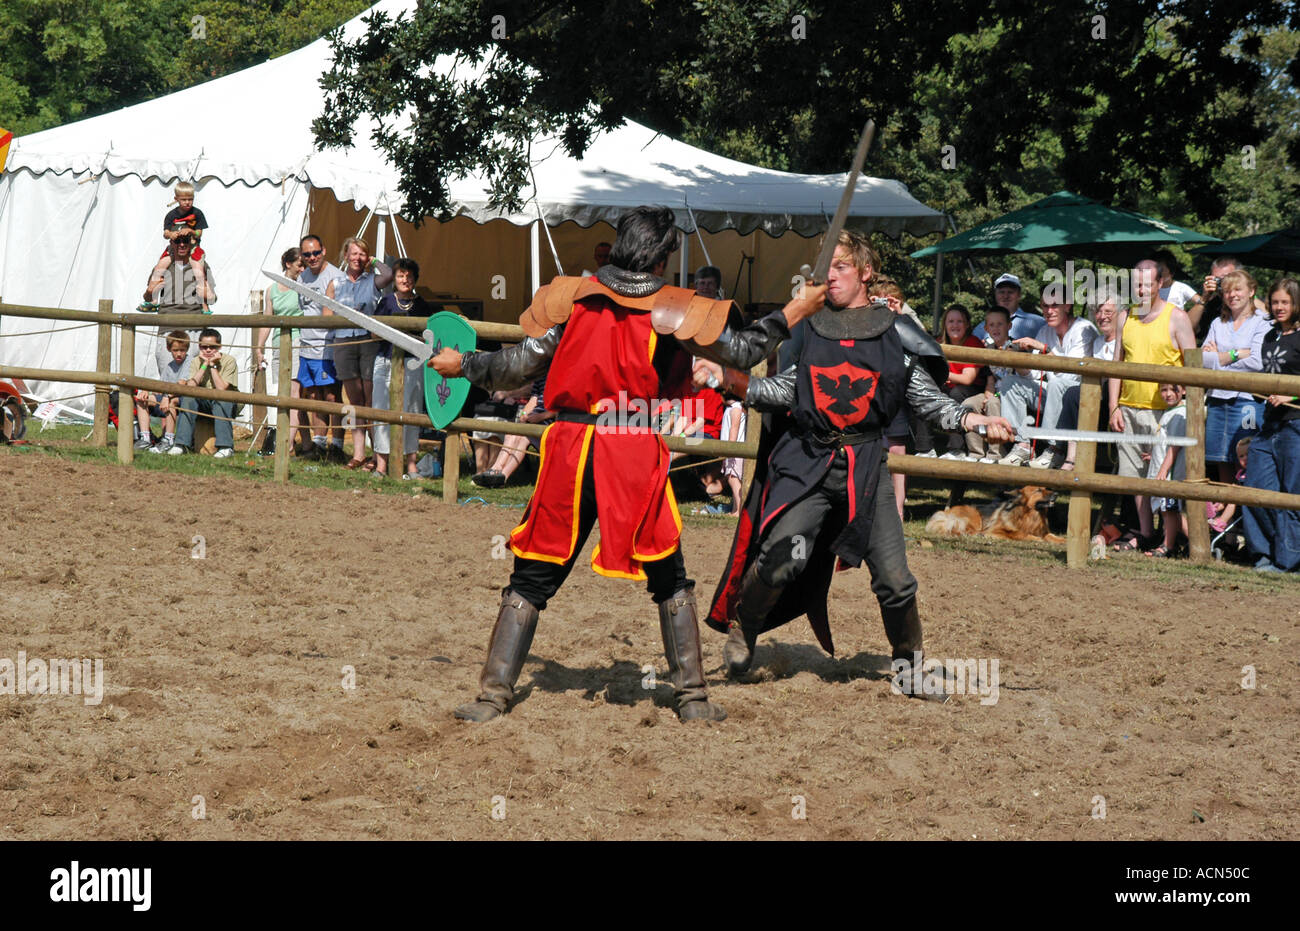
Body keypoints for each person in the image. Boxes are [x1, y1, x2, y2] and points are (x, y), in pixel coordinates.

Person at [429, 205, 821, 723]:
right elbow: (745, 349)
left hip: (569, 450)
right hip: (629, 449)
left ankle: (492, 695)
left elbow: (510, 368)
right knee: (666, 570)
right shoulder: (672, 308)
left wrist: (465, 364)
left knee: (534, 571)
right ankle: (692, 698)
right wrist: (797, 309)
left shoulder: (571, 298)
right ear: (661, 259)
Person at [708, 229, 1013, 698]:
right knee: (780, 561)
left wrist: (969, 415)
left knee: (895, 580)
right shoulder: (807, 329)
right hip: (809, 462)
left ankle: (909, 673)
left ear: (866, 273)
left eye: (841, 267)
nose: (829, 277)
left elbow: (927, 400)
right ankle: (744, 627)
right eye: (825, 268)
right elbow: (782, 392)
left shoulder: (892, 331)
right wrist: (730, 380)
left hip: (866, 468)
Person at [1108, 259, 1197, 550]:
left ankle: (1173, 539)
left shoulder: (1177, 317)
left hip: (1166, 412)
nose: (1141, 289)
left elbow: (1193, 365)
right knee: (1133, 476)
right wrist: (1113, 406)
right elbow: (1116, 364)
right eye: (1137, 283)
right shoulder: (1125, 317)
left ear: (1160, 284)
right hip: (1129, 406)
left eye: (1147, 283)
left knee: (1163, 476)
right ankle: (1145, 533)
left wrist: (1183, 405)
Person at [1244, 277, 1300, 573]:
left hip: (1296, 424)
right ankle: (1263, 552)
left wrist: (1290, 393)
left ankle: (1289, 561)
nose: (1279, 307)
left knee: (1292, 493)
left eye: (1285, 302)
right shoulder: (1269, 336)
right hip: (1269, 423)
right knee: (1254, 486)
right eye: (1275, 302)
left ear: (1296, 304)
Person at [1202, 268, 1268, 498]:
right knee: (1221, 458)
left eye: (1238, 289)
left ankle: (1244, 514)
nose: (1232, 295)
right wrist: (1236, 354)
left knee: (1246, 457)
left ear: (1251, 291)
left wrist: (1219, 357)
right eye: (1227, 291)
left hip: (1248, 399)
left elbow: (1257, 361)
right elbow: (1202, 359)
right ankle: (1225, 517)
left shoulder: (1263, 322)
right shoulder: (1217, 324)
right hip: (1218, 398)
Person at [1012, 298, 1099, 470]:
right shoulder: (1045, 331)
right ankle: (1020, 445)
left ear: (1067, 306)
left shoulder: (1084, 329)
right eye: (1045, 306)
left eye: (1054, 305)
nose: (1049, 311)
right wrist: (1017, 359)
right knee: (1012, 382)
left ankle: (1055, 449)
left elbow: (1070, 373)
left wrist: (1044, 349)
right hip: (1051, 393)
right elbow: (1034, 374)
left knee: (1057, 383)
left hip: (1077, 397)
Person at [332, 236, 394, 469]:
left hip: (368, 342)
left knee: (371, 400)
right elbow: (327, 312)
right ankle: (358, 454)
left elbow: (389, 274)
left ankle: (377, 454)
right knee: (354, 400)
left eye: (362, 254)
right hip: (344, 342)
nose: (357, 258)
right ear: (345, 255)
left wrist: (374, 259)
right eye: (354, 253)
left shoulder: (373, 280)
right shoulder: (336, 283)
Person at [372, 257, 430, 479]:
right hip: (386, 360)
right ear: (394, 279)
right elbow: (374, 332)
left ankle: (411, 465)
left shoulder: (422, 305)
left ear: (415, 279)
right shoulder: (386, 302)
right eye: (400, 275)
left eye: (409, 275)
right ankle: (381, 465)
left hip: (412, 363)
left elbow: (429, 336)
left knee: (412, 409)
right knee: (382, 410)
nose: (405, 279)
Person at [295, 234, 346, 462]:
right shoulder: (301, 278)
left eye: (316, 252)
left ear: (324, 250)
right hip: (306, 345)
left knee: (332, 397)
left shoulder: (336, 277)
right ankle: (317, 444)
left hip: (328, 346)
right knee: (313, 396)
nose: (312, 257)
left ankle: (336, 445)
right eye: (307, 254)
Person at [254, 247, 309, 454]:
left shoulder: (303, 287)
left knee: (293, 393)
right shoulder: (272, 290)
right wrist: (260, 348)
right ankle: (303, 442)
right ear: (288, 264)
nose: (303, 268)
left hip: (297, 341)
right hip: (278, 344)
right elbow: (268, 320)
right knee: (282, 392)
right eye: (299, 264)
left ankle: (287, 444)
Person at [143, 233, 215, 380]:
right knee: (167, 375)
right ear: (171, 242)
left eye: (185, 241)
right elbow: (149, 298)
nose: (182, 244)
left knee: (192, 379)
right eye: (178, 241)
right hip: (167, 326)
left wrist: (207, 293)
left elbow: (213, 298)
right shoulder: (163, 266)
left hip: (194, 325)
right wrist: (150, 291)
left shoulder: (201, 265)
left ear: (191, 243)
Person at [168, 328, 239, 458]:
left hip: (227, 402)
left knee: (222, 400)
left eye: (212, 347)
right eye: (204, 347)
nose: (208, 350)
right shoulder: (196, 361)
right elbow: (190, 387)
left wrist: (212, 365)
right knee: (188, 398)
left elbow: (221, 389)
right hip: (205, 402)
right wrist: (204, 365)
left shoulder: (229, 361)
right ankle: (181, 444)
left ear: (219, 346)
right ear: (199, 346)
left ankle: (226, 447)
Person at [1144, 383, 1188, 558]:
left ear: (1183, 390)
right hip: (1163, 466)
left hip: (1169, 473)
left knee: (1168, 510)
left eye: (1174, 390)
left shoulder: (1180, 414)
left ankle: (1168, 546)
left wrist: (1163, 470)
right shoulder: (1169, 413)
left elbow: (1174, 447)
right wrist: (1154, 455)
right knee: (1170, 510)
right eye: (1164, 390)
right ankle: (1195, 542)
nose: (1168, 394)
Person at [149, 181, 210, 307]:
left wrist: (191, 231)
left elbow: (199, 233)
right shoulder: (171, 215)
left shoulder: (197, 214)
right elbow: (165, 233)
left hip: (193, 248)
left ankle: (204, 304)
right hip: (174, 247)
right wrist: (171, 235)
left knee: (198, 272)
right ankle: (152, 300)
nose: (187, 202)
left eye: (190, 199)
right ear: (176, 199)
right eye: (184, 200)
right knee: (159, 268)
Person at [936, 304, 985, 459]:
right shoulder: (939, 343)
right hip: (948, 386)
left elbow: (967, 379)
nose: (955, 325)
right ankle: (924, 449)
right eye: (951, 321)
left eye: (959, 321)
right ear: (945, 324)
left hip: (972, 388)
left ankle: (956, 449)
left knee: (955, 394)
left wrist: (943, 374)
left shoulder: (973, 343)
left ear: (967, 325)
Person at [135, 330, 190, 453]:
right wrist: (147, 391)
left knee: (172, 401)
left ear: (187, 349)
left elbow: (182, 384)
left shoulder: (189, 362)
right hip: (167, 396)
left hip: (183, 398)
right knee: (142, 400)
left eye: (182, 350)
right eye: (176, 350)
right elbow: (161, 387)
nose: (179, 354)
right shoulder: (170, 366)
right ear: (169, 349)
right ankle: (145, 438)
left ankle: (168, 439)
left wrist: (167, 397)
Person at [972, 273, 1044, 341]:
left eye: (1010, 292)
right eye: (1001, 292)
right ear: (995, 295)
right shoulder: (981, 329)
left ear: (1019, 295)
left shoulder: (1038, 323)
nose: (1006, 296)